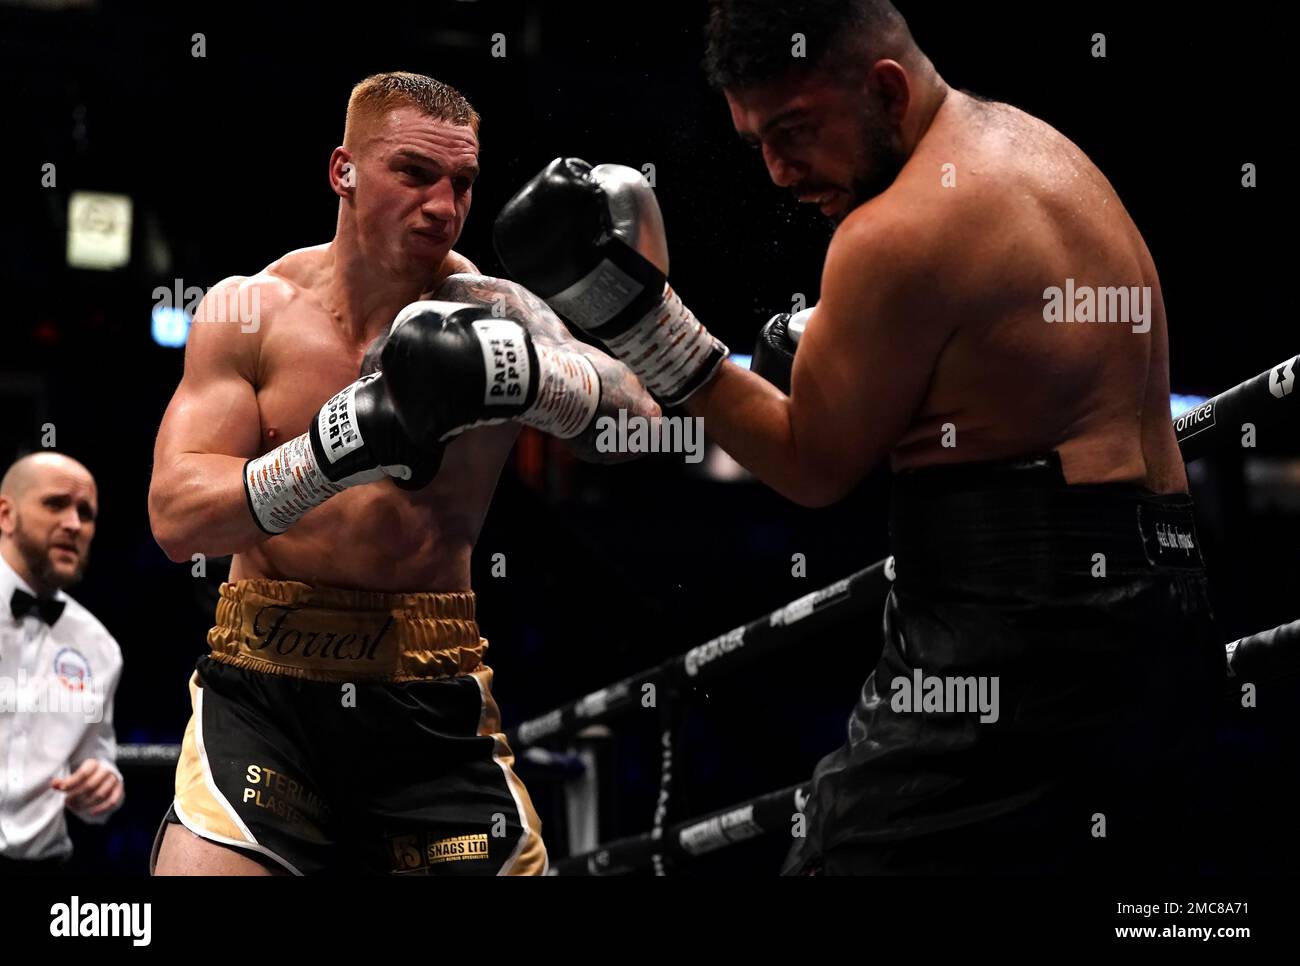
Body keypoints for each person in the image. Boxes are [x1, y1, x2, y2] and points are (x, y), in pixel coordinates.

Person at [491, 0, 1224, 873]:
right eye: (757, 141)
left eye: (794, 130)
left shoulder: (895, 232)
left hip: (1020, 626)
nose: (778, 172)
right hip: (1165, 605)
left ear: (886, 89)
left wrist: (647, 324)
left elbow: (811, 467)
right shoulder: (1040, 151)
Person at [148, 71, 657, 875]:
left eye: (463, 183)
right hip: (265, 684)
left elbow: (642, 425)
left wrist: (535, 379)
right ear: (343, 171)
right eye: (415, 173)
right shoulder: (250, 312)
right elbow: (177, 521)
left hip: (430, 695)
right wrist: (328, 456)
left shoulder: (493, 311)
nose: (444, 207)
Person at [0, 452, 123, 874]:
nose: (74, 525)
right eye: (55, 504)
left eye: (86, 513)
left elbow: (97, 757)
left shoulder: (99, 647)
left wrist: (102, 782)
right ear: (6, 515)